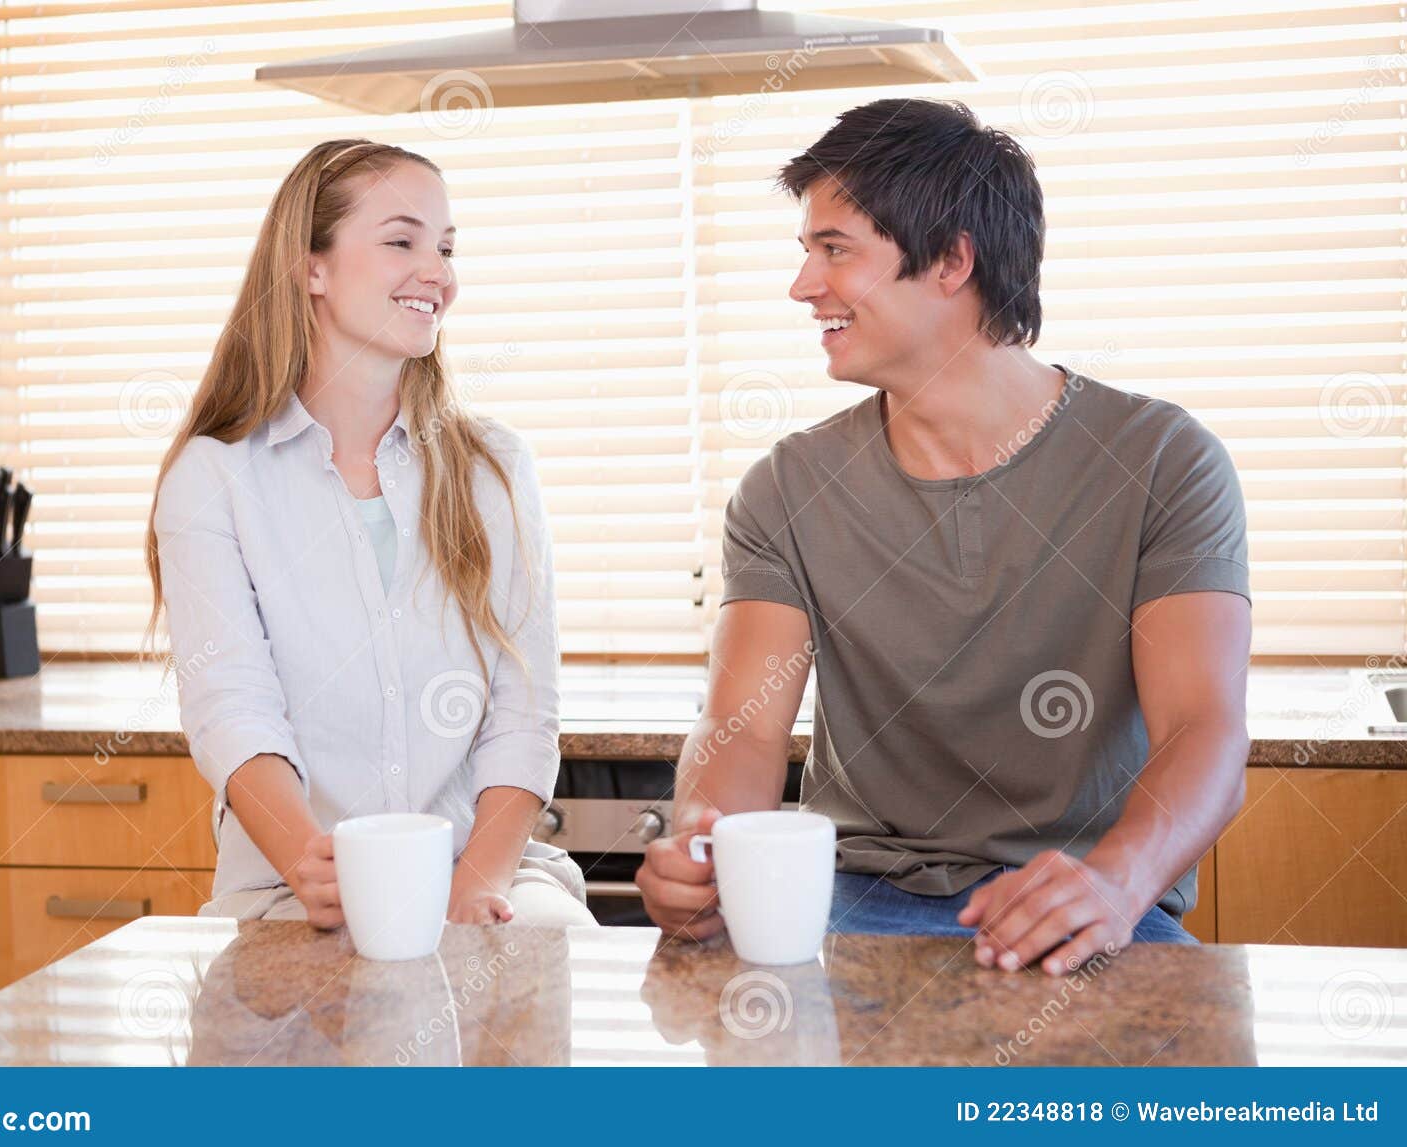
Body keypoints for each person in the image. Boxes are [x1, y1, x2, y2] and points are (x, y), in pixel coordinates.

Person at [636, 100, 1251, 975]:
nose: (804, 285)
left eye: (835, 249)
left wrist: (1114, 884)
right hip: (849, 898)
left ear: (953, 261)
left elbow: (1205, 729)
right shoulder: (788, 487)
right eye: (806, 252)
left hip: (1085, 898)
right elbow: (742, 726)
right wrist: (704, 844)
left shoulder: (1163, 461)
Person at [146, 139, 595, 930]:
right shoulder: (215, 478)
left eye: (447, 248)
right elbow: (231, 708)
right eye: (402, 241)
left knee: (541, 948)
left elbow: (525, 711)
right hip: (290, 887)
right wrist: (310, 864)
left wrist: (475, 880)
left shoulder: (494, 470)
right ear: (310, 267)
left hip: (484, 870)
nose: (439, 273)